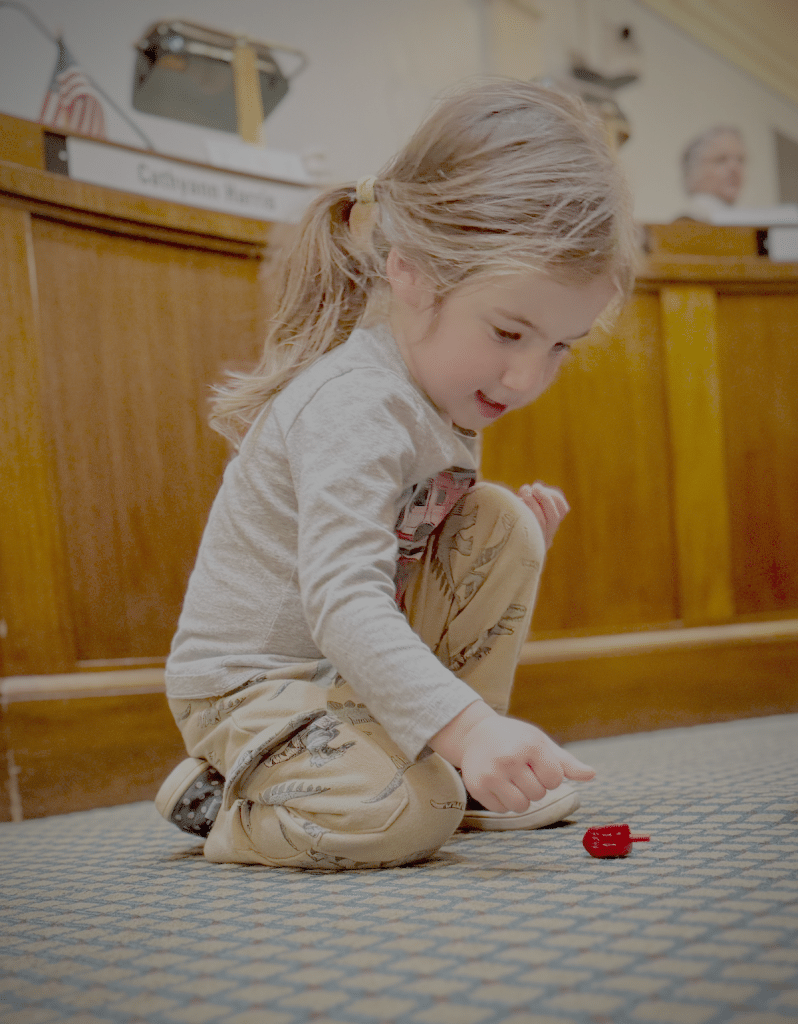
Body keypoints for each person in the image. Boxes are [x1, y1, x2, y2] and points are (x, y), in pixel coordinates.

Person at [155, 78, 637, 871]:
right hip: (252, 687)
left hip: (336, 676)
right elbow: (344, 598)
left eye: (559, 346)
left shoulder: (443, 393)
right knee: (414, 817)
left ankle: (449, 769)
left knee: (503, 520)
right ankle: (222, 804)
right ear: (410, 274)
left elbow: (401, 562)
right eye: (510, 330)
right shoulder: (357, 403)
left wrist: (495, 544)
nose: (525, 378)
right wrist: (471, 729)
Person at [680, 125, 746, 221]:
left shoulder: (747, 221)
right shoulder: (688, 224)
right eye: (721, 160)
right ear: (693, 171)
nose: (735, 168)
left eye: (740, 160)